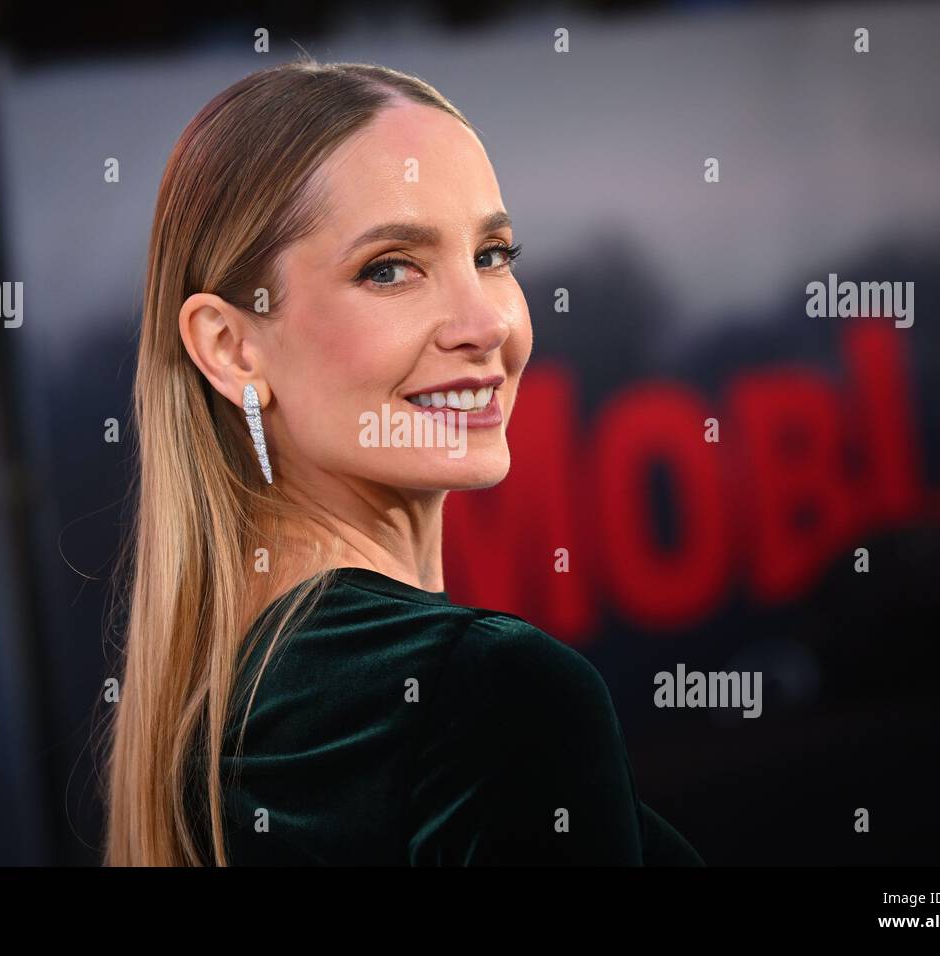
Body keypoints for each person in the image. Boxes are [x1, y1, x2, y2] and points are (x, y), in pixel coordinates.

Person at [103, 56, 703, 867]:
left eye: (492, 255)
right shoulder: (494, 690)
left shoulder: (209, 709)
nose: (485, 325)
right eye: (390, 269)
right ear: (232, 347)